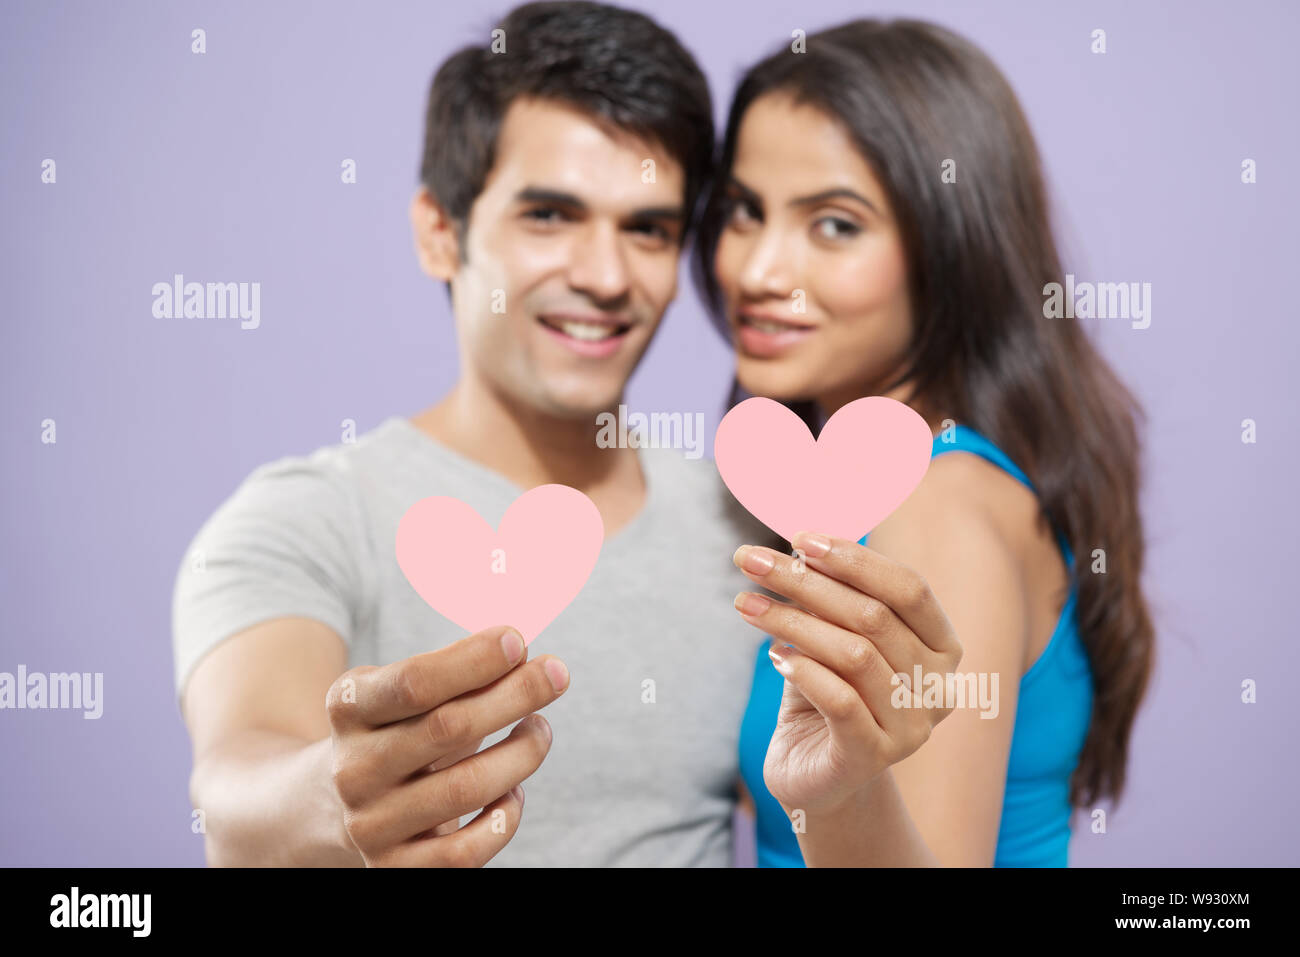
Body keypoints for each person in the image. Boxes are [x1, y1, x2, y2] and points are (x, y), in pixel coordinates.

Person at [173, 0, 771, 868]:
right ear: (439, 232)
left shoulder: (746, 528)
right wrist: (338, 800)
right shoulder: (311, 517)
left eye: (647, 229)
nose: (606, 276)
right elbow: (235, 793)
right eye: (550, 216)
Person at [693, 18, 1156, 866]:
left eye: (834, 224)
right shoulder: (919, 483)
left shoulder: (937, 504)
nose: (757, 270)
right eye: (744, 211)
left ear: (952, 243)